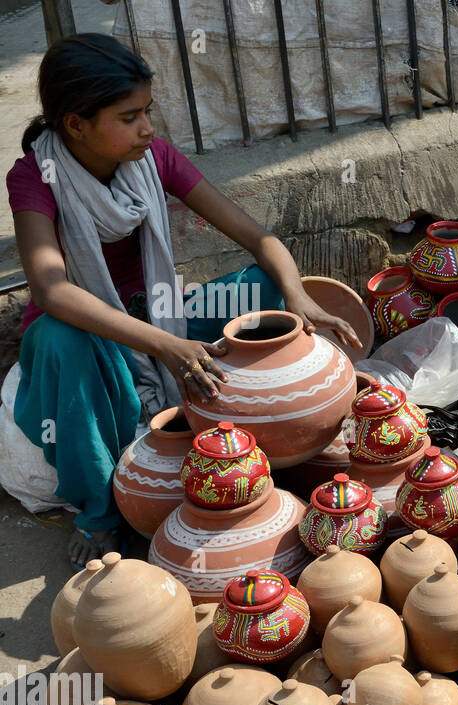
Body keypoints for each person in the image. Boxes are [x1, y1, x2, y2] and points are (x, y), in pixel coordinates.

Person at [8, 34, 360, 567]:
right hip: (86, 329)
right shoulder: (36, 176)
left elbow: (261, 241)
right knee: (62, 340)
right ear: (76, 123)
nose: (148, 128)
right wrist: (167, 345)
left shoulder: (154, 159)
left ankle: (271, 439)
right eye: (129, 117)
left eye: (148, 112)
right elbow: (52, 291)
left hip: (163, 308)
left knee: (263, 294)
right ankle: (101, 515)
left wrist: (297, 295)